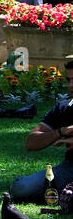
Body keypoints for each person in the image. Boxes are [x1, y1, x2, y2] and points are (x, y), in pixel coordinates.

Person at [8, 59, 73, 203]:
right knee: (22, 188)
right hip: (70, 168)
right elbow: (31, 143)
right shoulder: (64, 108)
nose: (71, 85)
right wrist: (61, 132)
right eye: (68, 80)